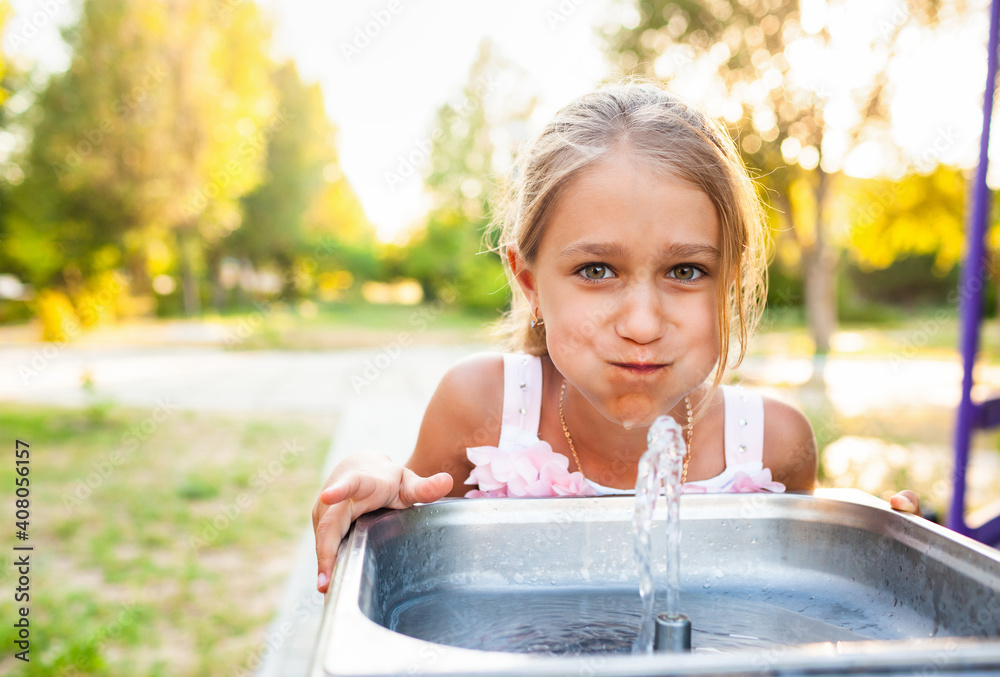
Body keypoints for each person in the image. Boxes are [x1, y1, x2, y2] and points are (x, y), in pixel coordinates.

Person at [312, 78, 920, 593]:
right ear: (528, 281)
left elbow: (793, 606)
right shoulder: (484, 409)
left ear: (729, 281)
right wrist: (375, 481)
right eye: (596, 271)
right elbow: (408, 559)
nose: (642, 324)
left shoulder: (773, 444)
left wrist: (864, 531)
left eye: (686, 271)